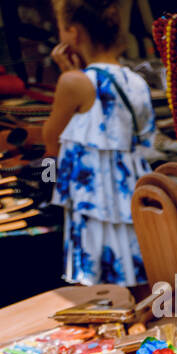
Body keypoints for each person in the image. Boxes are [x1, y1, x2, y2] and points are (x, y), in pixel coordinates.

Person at [42, 0, 155, 286]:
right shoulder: (136, 80)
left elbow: (49, 138)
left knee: (95, 288)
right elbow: (144, 133)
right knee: (138, 276)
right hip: (130, 191)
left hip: (93, 197)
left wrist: (67, 72)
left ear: (73, 34)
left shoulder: (72, 82)